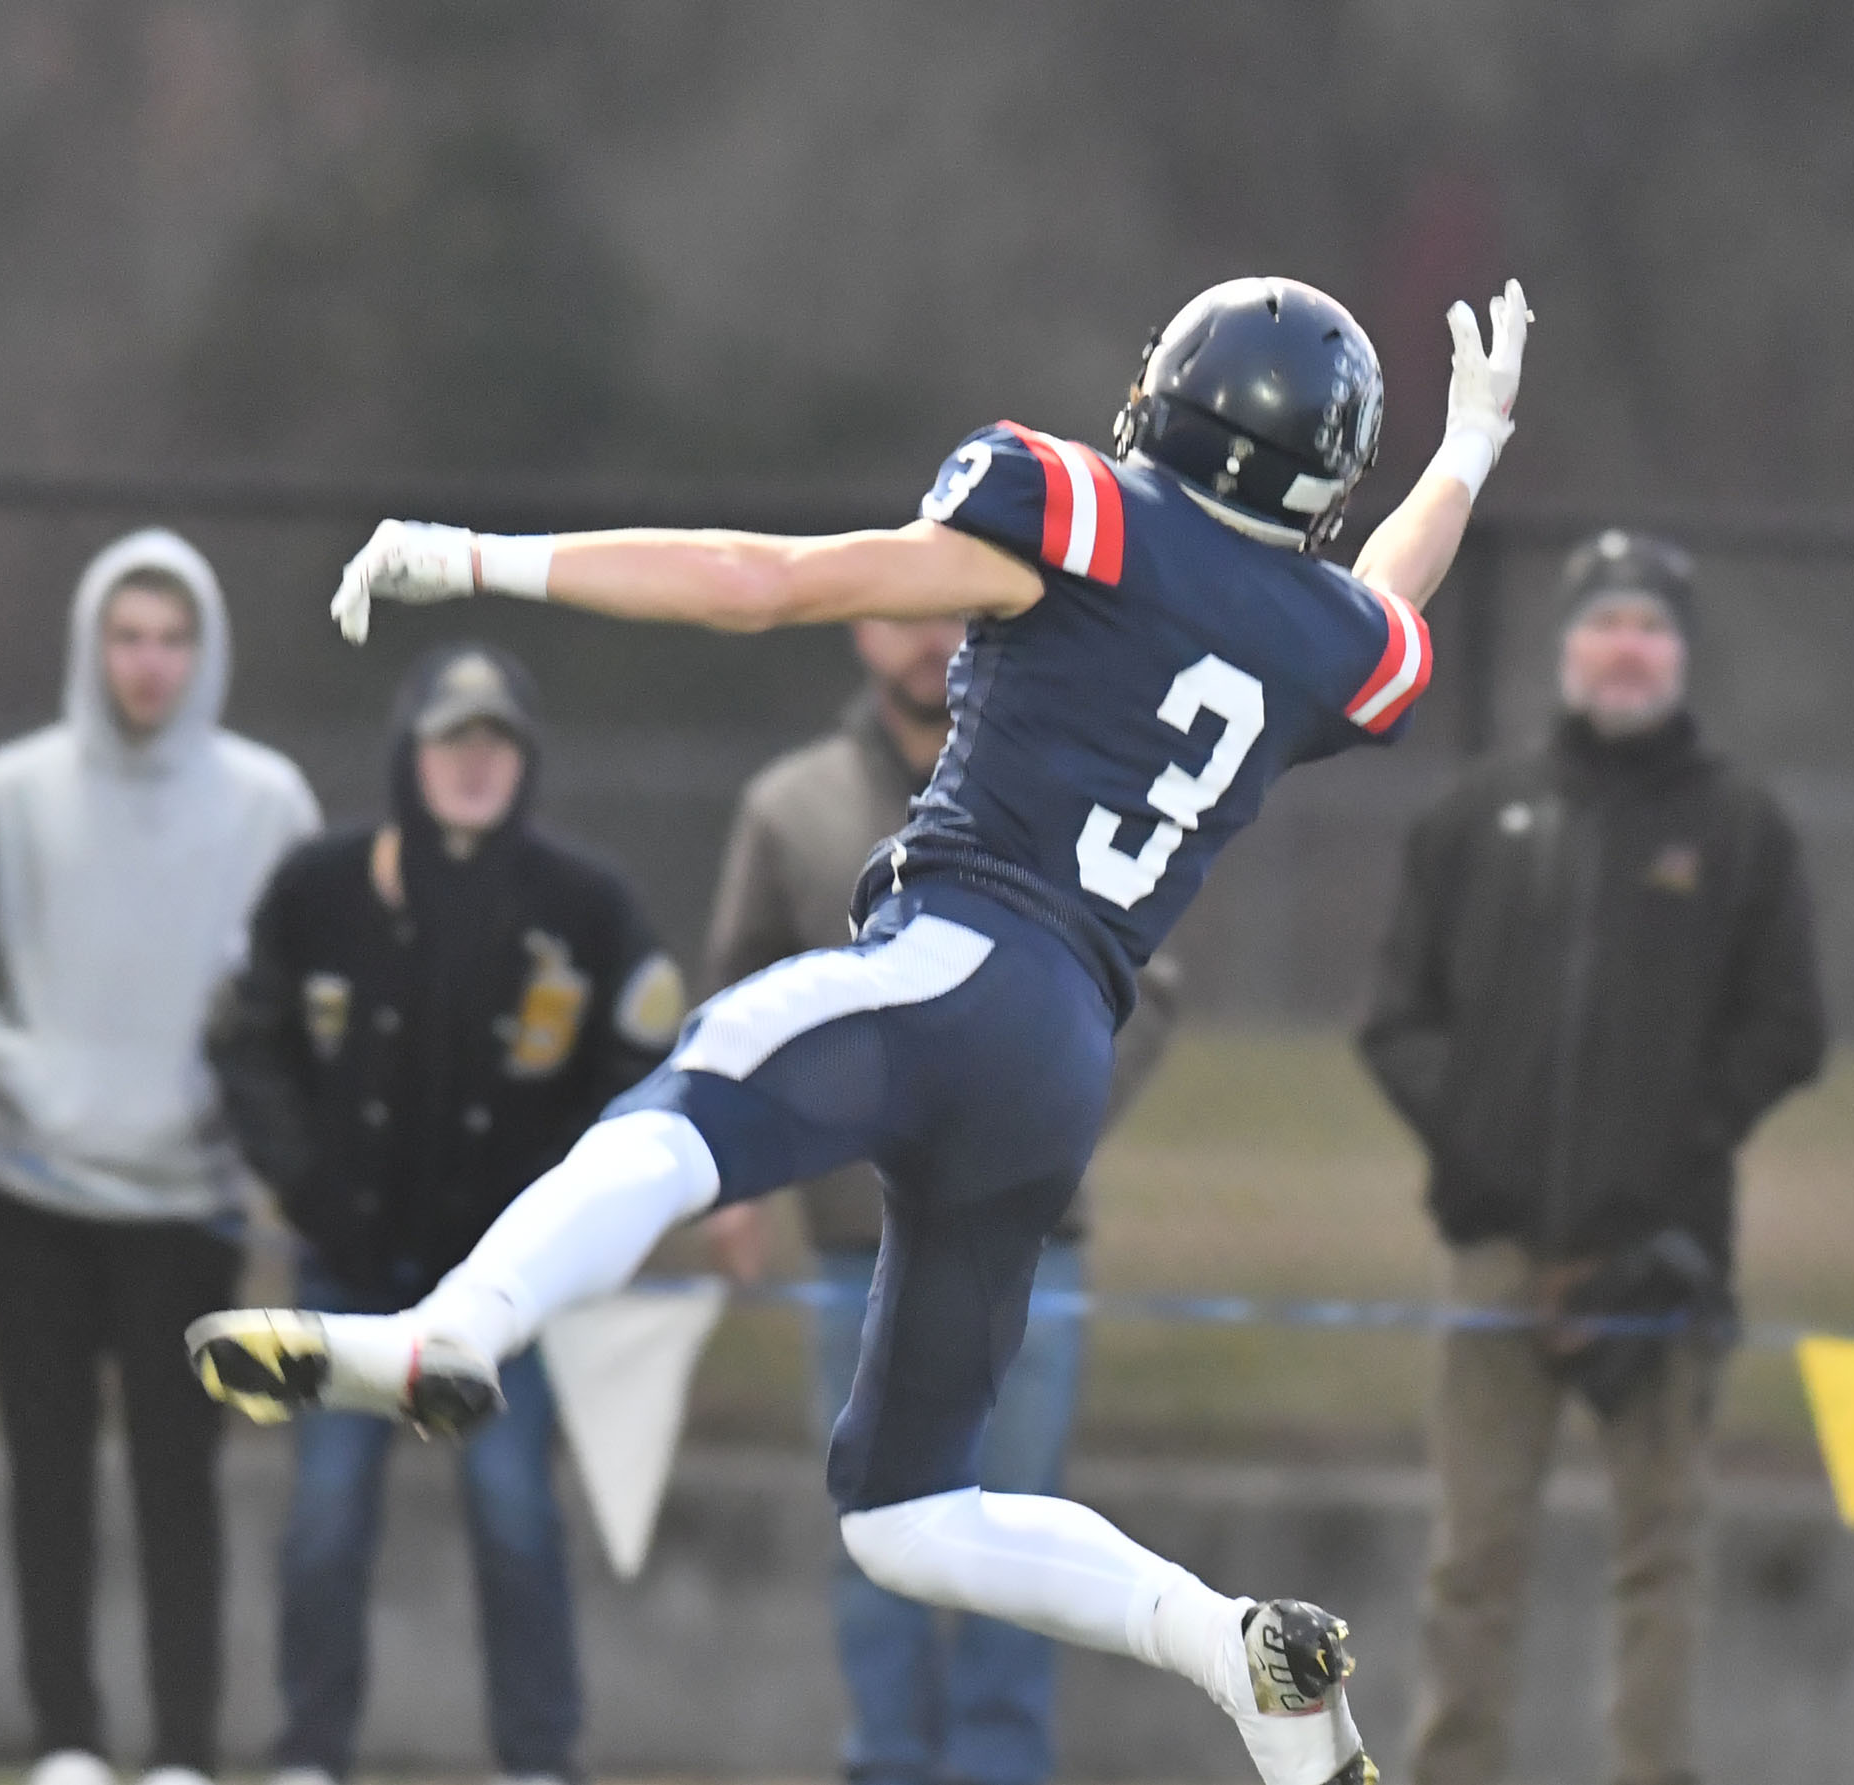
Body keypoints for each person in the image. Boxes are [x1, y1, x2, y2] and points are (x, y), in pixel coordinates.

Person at [187, 272, 1533, 1785]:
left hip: (958, 960)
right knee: (907, 1516)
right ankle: (1232, 1654)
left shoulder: (1081, 513)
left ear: (1175, 401)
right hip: (1059, 1063)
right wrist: (1467, 453)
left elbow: (760, 579)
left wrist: (487, 557)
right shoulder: (1316, 632)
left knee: (684, 1105)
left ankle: (451, 1332)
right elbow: (1386, 604)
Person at [1359, 528, 1825, 1785]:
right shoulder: (1474, 816)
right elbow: (1396, 1022)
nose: (1626, 647)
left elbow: (1788, 1032)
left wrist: (1670, 1163)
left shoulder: (1739, 829)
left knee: (1661, 1560)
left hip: (1662, 1267)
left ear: (1681, 656)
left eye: (1650, 626)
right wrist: (1477, 1151)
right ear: (1565, 648)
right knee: (1472, 1558)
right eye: (1604, 622)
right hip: (1493, 1255)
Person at [701, 614, 1182, 1785]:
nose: (923, 641)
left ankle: (1001, 1769)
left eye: (945, 614)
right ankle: (889, 1763)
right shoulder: (789, 804)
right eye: (897, 613)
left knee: (1020, 1522)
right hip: (851, 1246)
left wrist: (1024, 1124)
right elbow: (741, 986)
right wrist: (750, 1168)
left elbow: (1151, 989)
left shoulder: (1071, 786)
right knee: (875, 1529)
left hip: (1024, 1236)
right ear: (860, 629)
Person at [208, 642, 683, 1785]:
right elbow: (245, 1039)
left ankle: (537, 1760)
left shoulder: (587, 907)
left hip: (500, 1300)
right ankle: (310, 1754)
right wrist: (303, 1180)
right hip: (346, 1273)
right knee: (324, 1520)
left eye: (496, 744)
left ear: (527, 763)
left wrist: (570, 1210)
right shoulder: (321, 887)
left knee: (514, 1515)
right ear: (406, 757)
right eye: (449, 742)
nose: (473, 767)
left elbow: (652, 1064)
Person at [0, 531, 320, 1785]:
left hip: (189, 1205)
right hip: (32, 1191)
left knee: (181, 1484)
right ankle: (66, 1739)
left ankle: (178, 1748)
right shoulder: (10, 794)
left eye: (172, 640)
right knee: (47, 1476)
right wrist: (14, 1065)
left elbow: (293, 996)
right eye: (128, 637)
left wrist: (241, 1102)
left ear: (205, 650)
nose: (150, 664)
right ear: (90, 644)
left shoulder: (268, 804)